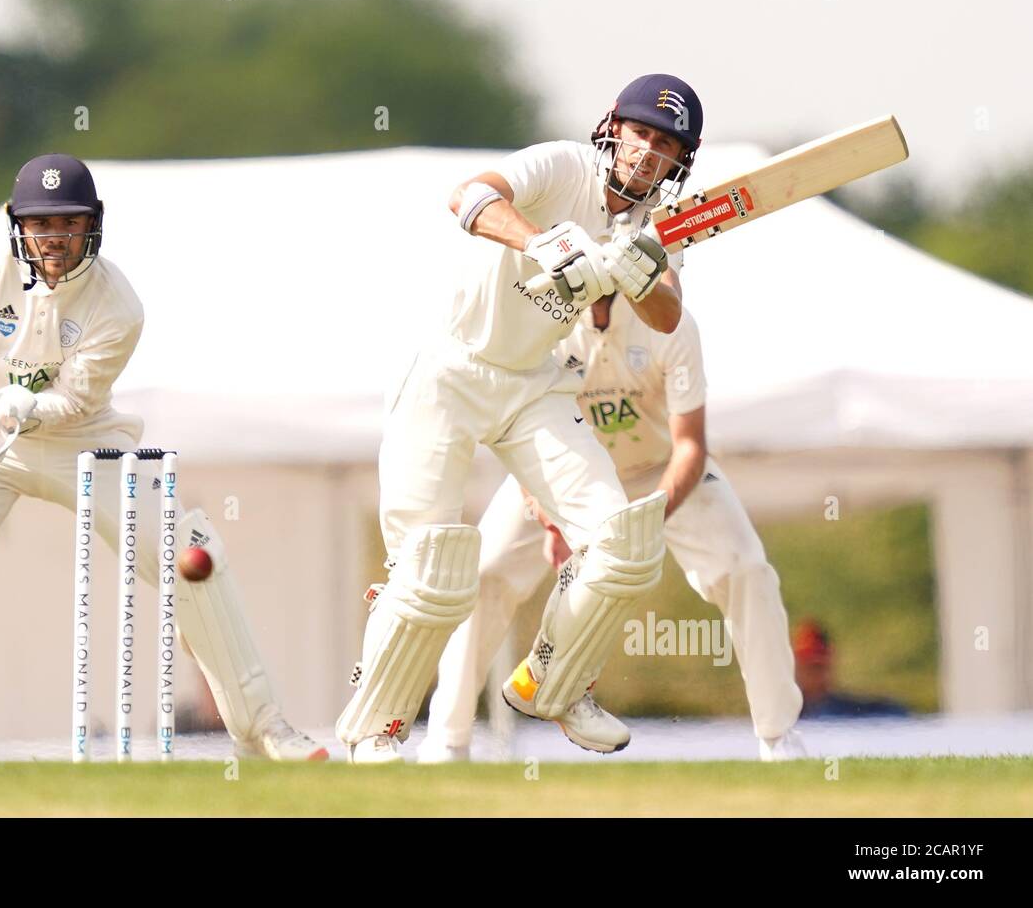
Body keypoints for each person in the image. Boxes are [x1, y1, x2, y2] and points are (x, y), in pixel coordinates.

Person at [0, 153, 326, 763]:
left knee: (186, 551)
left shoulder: (118, 305)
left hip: (84, 441)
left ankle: (265, 727)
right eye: (42, 225)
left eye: (69, 224)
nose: (55, 239)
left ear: (93, 224)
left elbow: (74, 400)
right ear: (14, 222)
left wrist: (21, 404)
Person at [337, 75, 704, 763]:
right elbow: (468, 196)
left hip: (537, 386)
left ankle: (555, 682)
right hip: (452, 369)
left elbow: (669, 314)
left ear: (680, 160)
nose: (648, 153)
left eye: (665, 145)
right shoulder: (563, 164)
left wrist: (640, 272)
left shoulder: (655, 228)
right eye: (641, 133)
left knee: (622, 541)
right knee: (431, 565)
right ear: (613, 129)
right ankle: (376, 728)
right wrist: (545, 243)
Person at [418, 293, 807, 763]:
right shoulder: (542, 324)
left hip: (659, 470)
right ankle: (447, 739)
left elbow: (689, 446)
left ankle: (778, 737)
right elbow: (517, 431)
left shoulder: (670, 321)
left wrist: (639, 530)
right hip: (563, 472)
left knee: (745, 569)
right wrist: (551, 519)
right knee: (485, 575)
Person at [794, 619, 910, 719]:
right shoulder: (785, 716)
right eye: (808, 667)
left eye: (818, 667)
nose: (814, 675)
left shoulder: (850, 712)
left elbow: (898, 715)